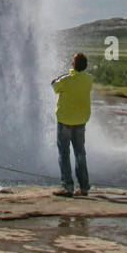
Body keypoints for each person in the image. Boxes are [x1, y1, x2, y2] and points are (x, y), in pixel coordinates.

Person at [51, 52, 93, 197]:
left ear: (73, 65)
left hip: (65, 121)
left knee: (64, 153)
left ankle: (67, 187)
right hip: (80, 121)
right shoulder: (89, 80)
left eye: (72, 61)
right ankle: (84, 187)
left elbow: (55, 86)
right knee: (80, 153)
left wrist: (61, 77)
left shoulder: (67, 80)